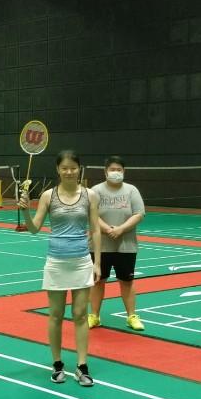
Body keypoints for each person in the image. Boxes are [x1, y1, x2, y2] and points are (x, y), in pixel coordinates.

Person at [18, 150, 101, 387]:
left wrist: (97, 263)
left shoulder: (90, 195)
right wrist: (25, 209)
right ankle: (57, 364)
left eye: (73, 167)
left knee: (80, 315)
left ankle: (82, 366)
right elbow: (34, 228)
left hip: (81, 262)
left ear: (79, 169)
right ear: (58, 169)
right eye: (64, 168)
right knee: (55, 315)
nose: (69, 171)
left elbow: (95, 230)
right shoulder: (47, 196)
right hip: (56, 262)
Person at [88, 156, 146, 331]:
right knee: (98, 281)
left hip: (126, 246)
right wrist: (108, 229)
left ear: (124, 172)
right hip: (100, 246)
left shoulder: (131, 190)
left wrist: (120, 229)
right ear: (105, 171)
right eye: (112, 169)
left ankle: (131, 316)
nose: (115, 172)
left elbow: (139, 213)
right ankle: (94, 316)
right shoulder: (95, 191)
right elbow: (91, 215)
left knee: (127, 282)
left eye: (119, 170)